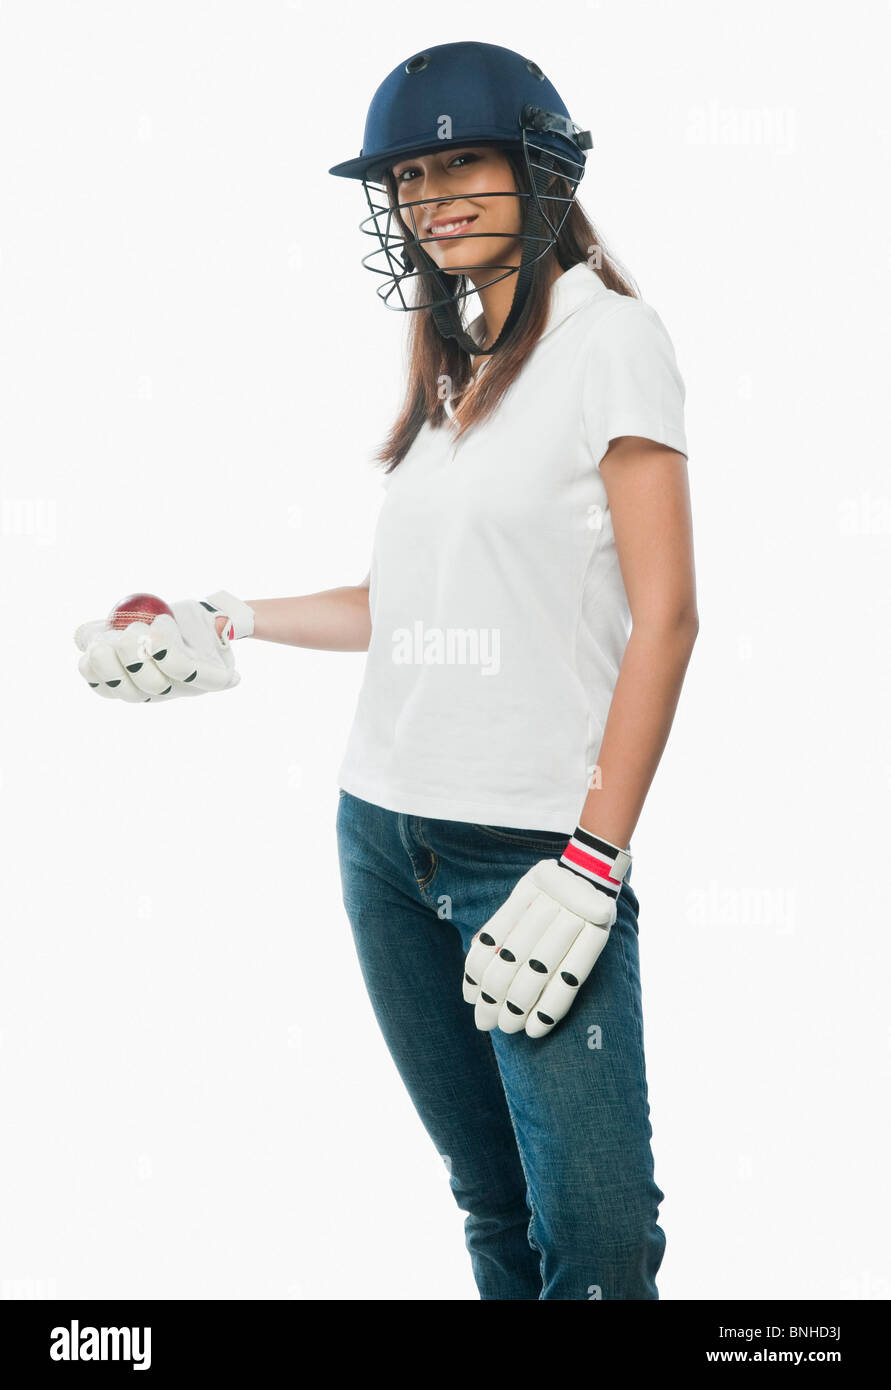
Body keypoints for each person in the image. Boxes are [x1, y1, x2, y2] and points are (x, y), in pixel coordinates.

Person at [74, 40, 698, 1301]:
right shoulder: (456, 362)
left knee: (601, 1246)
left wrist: (591, 861)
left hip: (530, 850)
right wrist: (227, 613)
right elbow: (408, 610)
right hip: (382, 836)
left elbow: (670, 615)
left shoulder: (613, 340)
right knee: (493, 1204)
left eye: (462, 161)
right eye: (410, 175)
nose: (433, 195)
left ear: (542, 168)